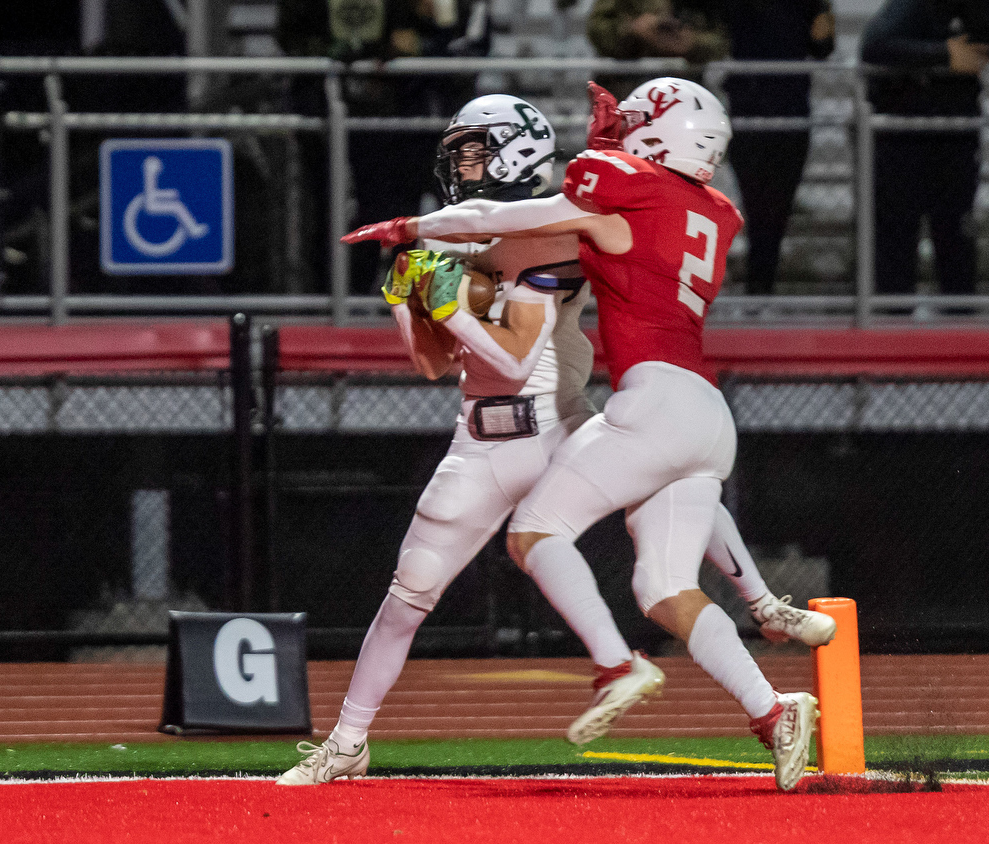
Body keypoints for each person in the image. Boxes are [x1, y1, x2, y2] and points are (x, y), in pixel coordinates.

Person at [341, 78, 833, 792]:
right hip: (703, 409)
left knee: (535, 533)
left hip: (646, 397)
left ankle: (617, 663)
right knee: (663, 587)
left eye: (630, 121)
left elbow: (518, 236)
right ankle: (772, 700)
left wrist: (411, 235)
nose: (614, 128)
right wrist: (418, 293)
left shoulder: (610, 192)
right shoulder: (714, 208)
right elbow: (456, 325)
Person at [278, 94, 666, 786]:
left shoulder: (548, 232)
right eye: (460, 150)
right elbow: (433, 363)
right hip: (481, 441)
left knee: (673, 527)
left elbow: (518, 359)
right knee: (407, 596)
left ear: (517, 150)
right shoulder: (452, 235)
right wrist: (408, 305)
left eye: (474, 149)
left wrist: (447, 299)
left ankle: (761, 672)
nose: (461, 163)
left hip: (560, 430)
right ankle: (348, 741)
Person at [274, 0, 490, 294]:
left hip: (432, 118)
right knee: (350, 208)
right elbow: (298, 37)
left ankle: (436, 293)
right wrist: (370, 50)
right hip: (355, 116)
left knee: (438, 210)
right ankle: (344, 296)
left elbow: (466, 51)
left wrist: (420, 45)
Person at [860, 0, 989, 307]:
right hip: (904, 139)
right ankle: (892, 320)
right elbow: (875, 46)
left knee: (956, 235)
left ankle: (958, 320)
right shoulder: (914, 7)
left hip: (955, 138)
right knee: (898, 235)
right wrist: (944, 54)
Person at [721, 1, 835, 297]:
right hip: (748, 104)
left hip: (791, 106)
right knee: (755, 201)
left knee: (778, 206)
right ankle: (756, 287)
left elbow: (823, 46)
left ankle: (762, 288)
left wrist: (822, 24)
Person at [586, 0, 729, 99]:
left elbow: (720, 41)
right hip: (626, 92)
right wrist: (632, 30)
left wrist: (693, 43)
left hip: (683, 96)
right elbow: (597, 31)